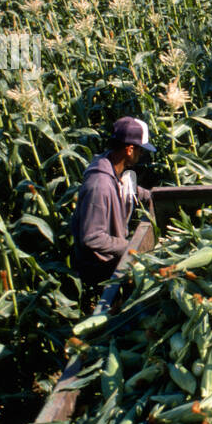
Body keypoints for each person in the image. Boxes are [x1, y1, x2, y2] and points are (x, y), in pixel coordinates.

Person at [70, 116, 156, 302]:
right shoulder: (99, 185)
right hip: (100, 268)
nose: (141, 155)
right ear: (129, 149)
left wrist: (156, 196)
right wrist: (133, 246)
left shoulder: (114, 169)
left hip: (113, 256)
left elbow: (131, 190)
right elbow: (92, 238)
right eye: (140, 150)